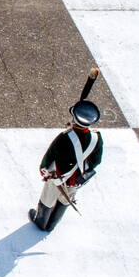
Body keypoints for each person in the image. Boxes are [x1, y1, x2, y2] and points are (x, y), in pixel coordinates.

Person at [31, 99, 103, 231]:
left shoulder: (64, 137)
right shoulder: (96, 138)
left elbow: (49, 158)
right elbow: (96, 161)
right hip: (77, 179)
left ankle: (41, 223)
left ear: (74, 119)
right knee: (65, 200)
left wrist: (44, 171)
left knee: (47, 200)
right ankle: (51, 225)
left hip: (58, 177)